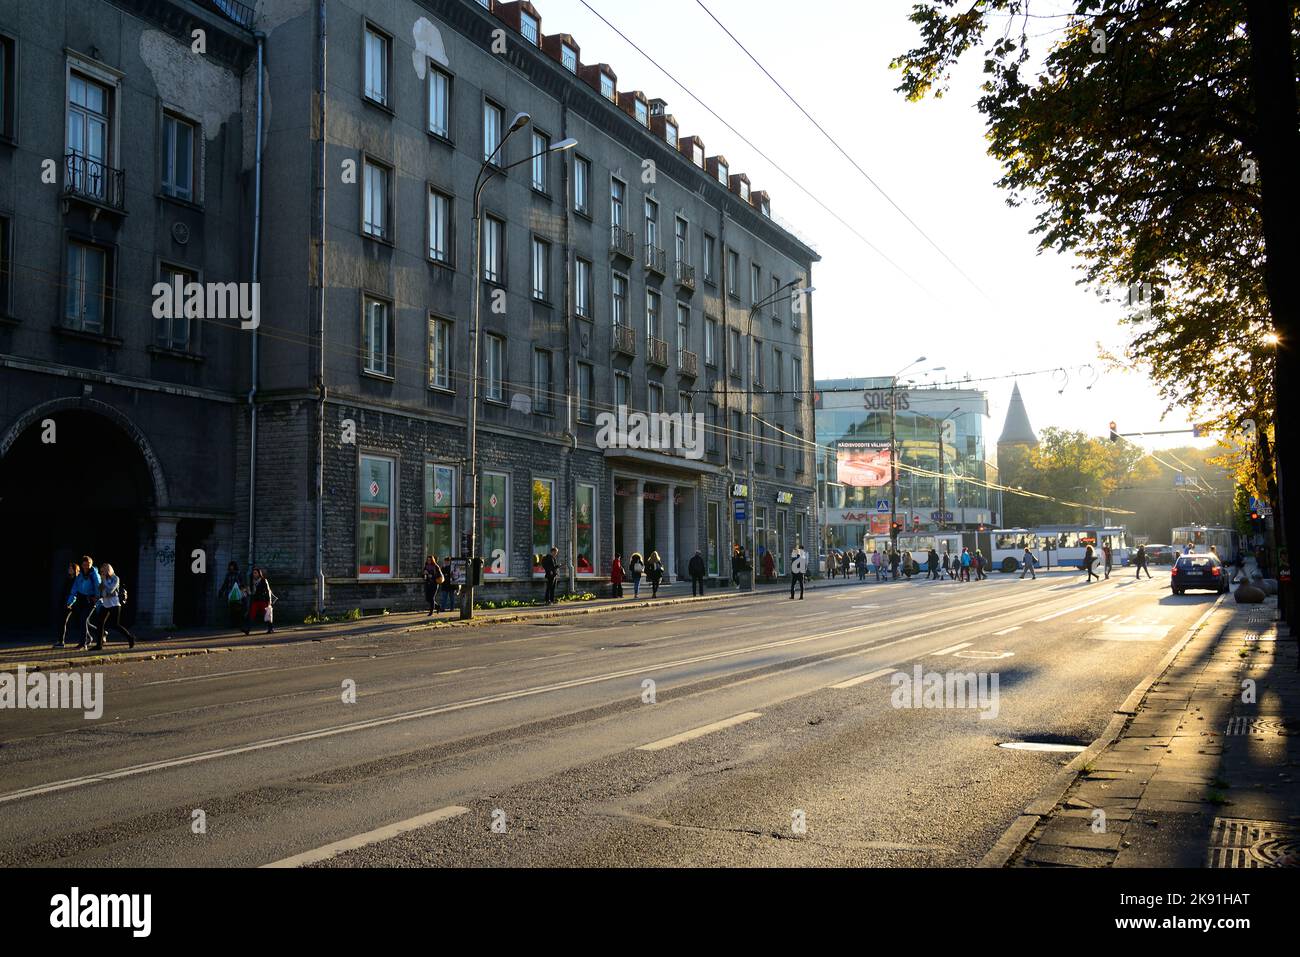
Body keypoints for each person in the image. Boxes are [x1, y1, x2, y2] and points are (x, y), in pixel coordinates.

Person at [90, 563, 135, 650]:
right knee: (100, 624)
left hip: (114, 604)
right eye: (101, 571)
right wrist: (101, 583)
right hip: (105, 604)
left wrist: (104, 582)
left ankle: (130, 638)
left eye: (104, 570)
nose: (102, 572)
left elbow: (111, 590)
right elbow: (100, 590)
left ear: (109, 570)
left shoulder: (115, 578)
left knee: (115, 625)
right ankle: (99, 645)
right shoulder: (104, 579)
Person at [65, 556, 102, 651]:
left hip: (91, 600)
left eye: (88, 564)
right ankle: (98, 634)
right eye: (84, 564)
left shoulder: (94, 575)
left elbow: (98, 587)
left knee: (83, 619)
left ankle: (83, 643)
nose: (86, 566)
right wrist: (70, 602)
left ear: (91, 564)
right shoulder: (80, 575)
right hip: (81, 600)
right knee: (84, 621)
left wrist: (97, 598)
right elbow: (74, 589)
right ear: (82, 565)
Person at [54, 560, 79, 649]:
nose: (69, 569)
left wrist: (70, 603)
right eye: (69, 568)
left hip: (71, 604)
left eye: (71, 568)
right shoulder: (68, 579)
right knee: (62, 621)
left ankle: (61, 642)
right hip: (65, 603)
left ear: (75, 570)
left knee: (63, 622)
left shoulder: (76, 580)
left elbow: (74, 593)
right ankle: (60, 641)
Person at [243, 567, 275, 635]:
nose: (254, 574)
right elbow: (251, 591)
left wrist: (269, 601)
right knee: (252, 614)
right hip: (255, 600)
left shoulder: (263, 580)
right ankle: (247, 629)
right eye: (253, 573)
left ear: (259, 573)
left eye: (255, 573)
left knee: (266, 615)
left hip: (263, 600)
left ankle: (271, 628)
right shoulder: (252, 582)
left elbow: (268, 591)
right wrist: (247, 591)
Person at [219, 561, 246, 630]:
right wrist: (221, 591)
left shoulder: (238, 573)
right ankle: (232, 624)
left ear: (235, 566)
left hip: (237, 593)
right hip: (230, 593)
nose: (231, 567)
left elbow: (242, 583)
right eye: (230, 566)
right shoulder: (228, 574)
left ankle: (239, 623)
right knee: (231, 609)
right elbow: (225, 583)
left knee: (238, 609)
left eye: (232, 566)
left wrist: (243, 592)